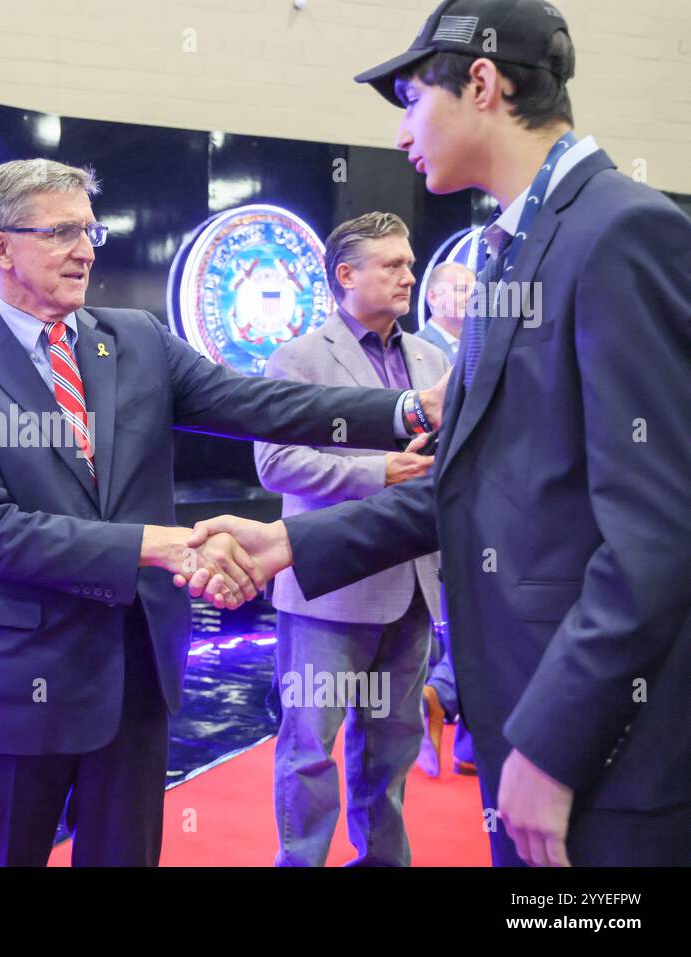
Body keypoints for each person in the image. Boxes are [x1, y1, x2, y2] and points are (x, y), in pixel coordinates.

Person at [184, 0, 691, 866]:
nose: (402, 133)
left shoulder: (620, 232)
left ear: (484, 83)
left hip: (598, 751)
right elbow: (468, 483)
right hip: (525, 724)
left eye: (413, 99)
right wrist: (284, 541)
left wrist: (556, 740)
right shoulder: (511, 251)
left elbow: (658, 534)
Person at [0, 158, 447, 866]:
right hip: (13, 688)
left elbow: (264, 404)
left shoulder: (137, 340)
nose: (87, 248)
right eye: (61, 231)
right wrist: (160, 546)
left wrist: (403, 408)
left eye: (89, 228)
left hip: (135, 674)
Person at [255, 211, 447, 865]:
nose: (408, 274)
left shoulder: (433, 359)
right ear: (346, 275)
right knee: (310, 750)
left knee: (391, 752)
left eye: (409, 262)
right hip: (329, 591)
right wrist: (380, 470)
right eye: (392, 263)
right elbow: (276, 463)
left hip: (415, 585)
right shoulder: (299, 357)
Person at [416, 260, 477, 776]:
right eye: (458, 289)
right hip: (433, 510)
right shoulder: (421, 356)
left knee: (479, 623)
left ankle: (457, 721)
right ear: (433, 299)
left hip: (482, 511)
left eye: (473, 290)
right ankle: (444, 695)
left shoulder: (479, 346)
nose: (468, 297)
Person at [417, 261, 473, 361]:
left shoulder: (480, 345)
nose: (471, 297)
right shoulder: (414, 347)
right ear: (433, 297)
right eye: (461, 289)